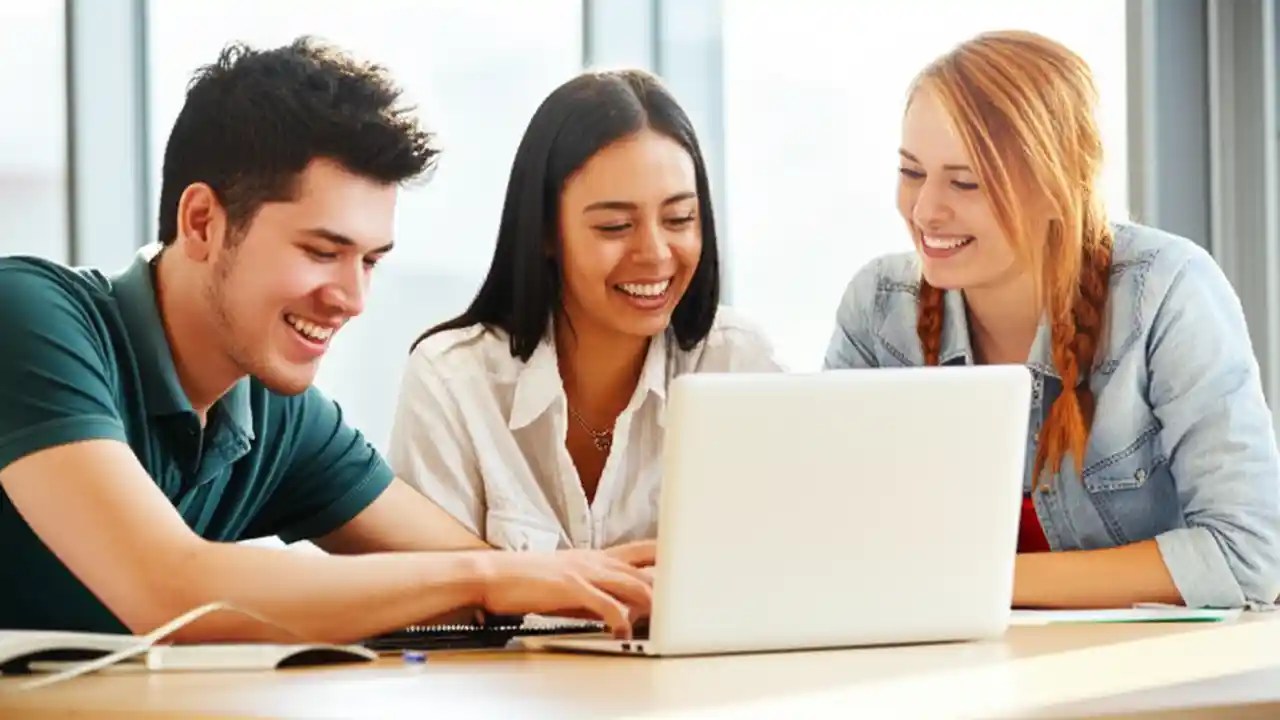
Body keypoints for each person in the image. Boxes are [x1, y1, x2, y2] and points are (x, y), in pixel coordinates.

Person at [0, 37, 654, 643]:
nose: (352, 298)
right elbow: (167, 590)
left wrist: (634, 592)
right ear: (201, 222)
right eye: (322, 252)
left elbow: (482, 584)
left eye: (369, 261)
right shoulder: (30, 317)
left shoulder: (276, 417)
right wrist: (487, 578)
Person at [823, 30, 1280, 609]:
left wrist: (979, 583)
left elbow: (1248, 556)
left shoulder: (1167, 292)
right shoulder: (877, 308)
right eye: (912, 172)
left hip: (1136, 665)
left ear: (1056, 188)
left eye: (966, 182)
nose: (925, 209)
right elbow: (829, 538)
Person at [387, 69, 781, 551]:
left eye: (679, 219)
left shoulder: (738, 364)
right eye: (615, 226)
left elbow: (777, 567)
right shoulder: (453, 381)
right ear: (545, 232)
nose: (656, 253)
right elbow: (432, 587)